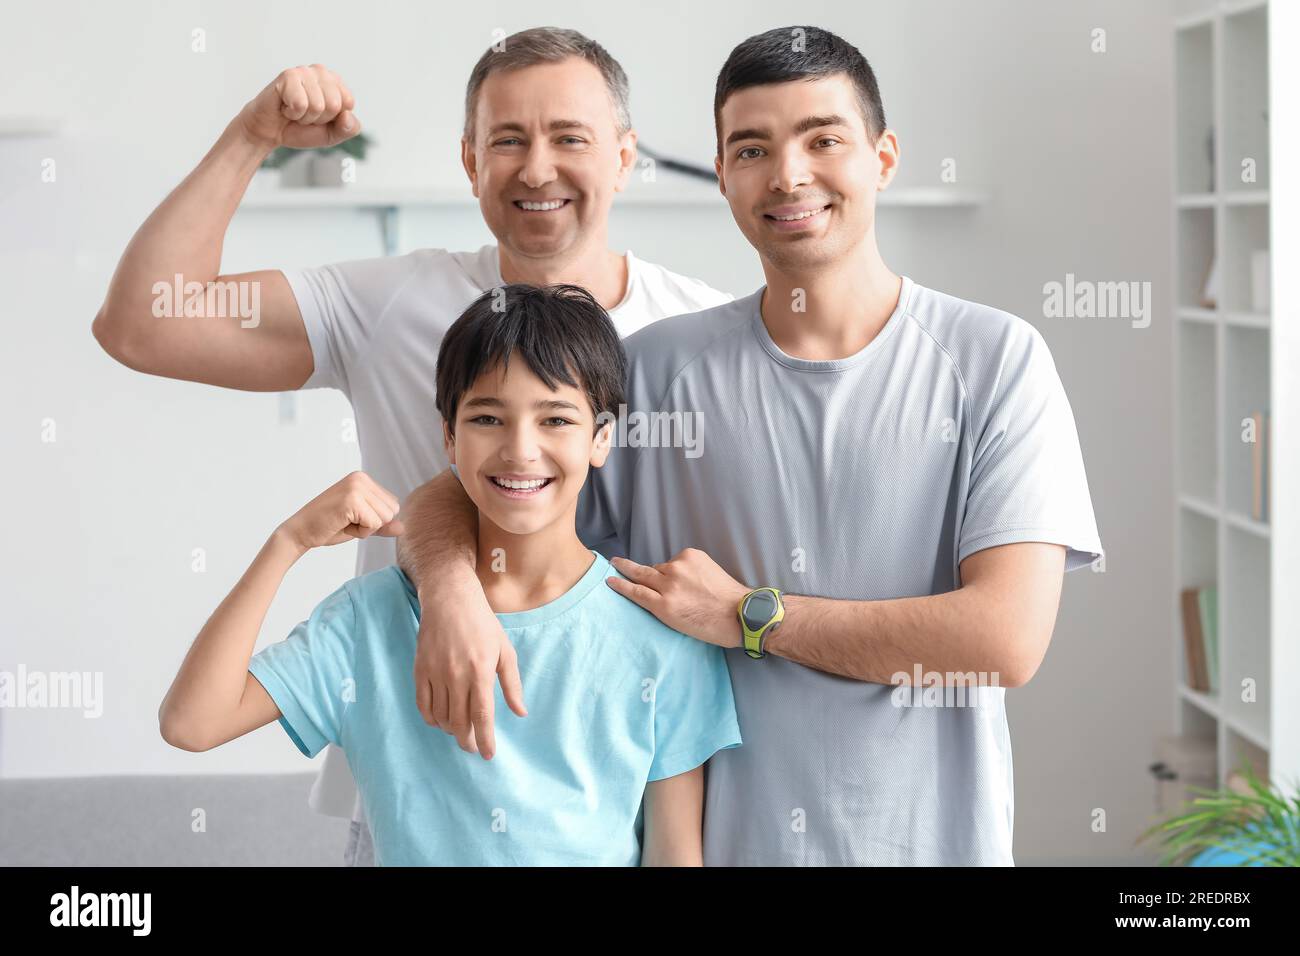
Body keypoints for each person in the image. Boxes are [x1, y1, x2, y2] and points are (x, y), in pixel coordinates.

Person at [398, 25, 1105, 865]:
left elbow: (1002, 640)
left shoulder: (995, 361)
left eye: (822, 139)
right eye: (752, 149)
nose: (789, 174)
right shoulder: (656, 368)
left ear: (882, 157)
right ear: (726, 178)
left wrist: (748, 618)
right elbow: (486, 483)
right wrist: (447, 589)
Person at [91, 26, 733, 863]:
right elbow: (142, 323)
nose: (537, 169)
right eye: (508, 140)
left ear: (623, 156)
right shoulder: (388, 303)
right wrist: (251, 135)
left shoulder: (706, 335)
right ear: (469, 161)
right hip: (412, 793)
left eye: (569, 137)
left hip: (618, 804)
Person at [157, 283, 741, 866]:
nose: (520, 450)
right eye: (488, 417)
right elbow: (192, 723)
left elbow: (673, 855)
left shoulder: (661, 637)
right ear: (449, 438)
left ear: (602, 438)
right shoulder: (370, 620)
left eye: (556, 419)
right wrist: (287, 543)